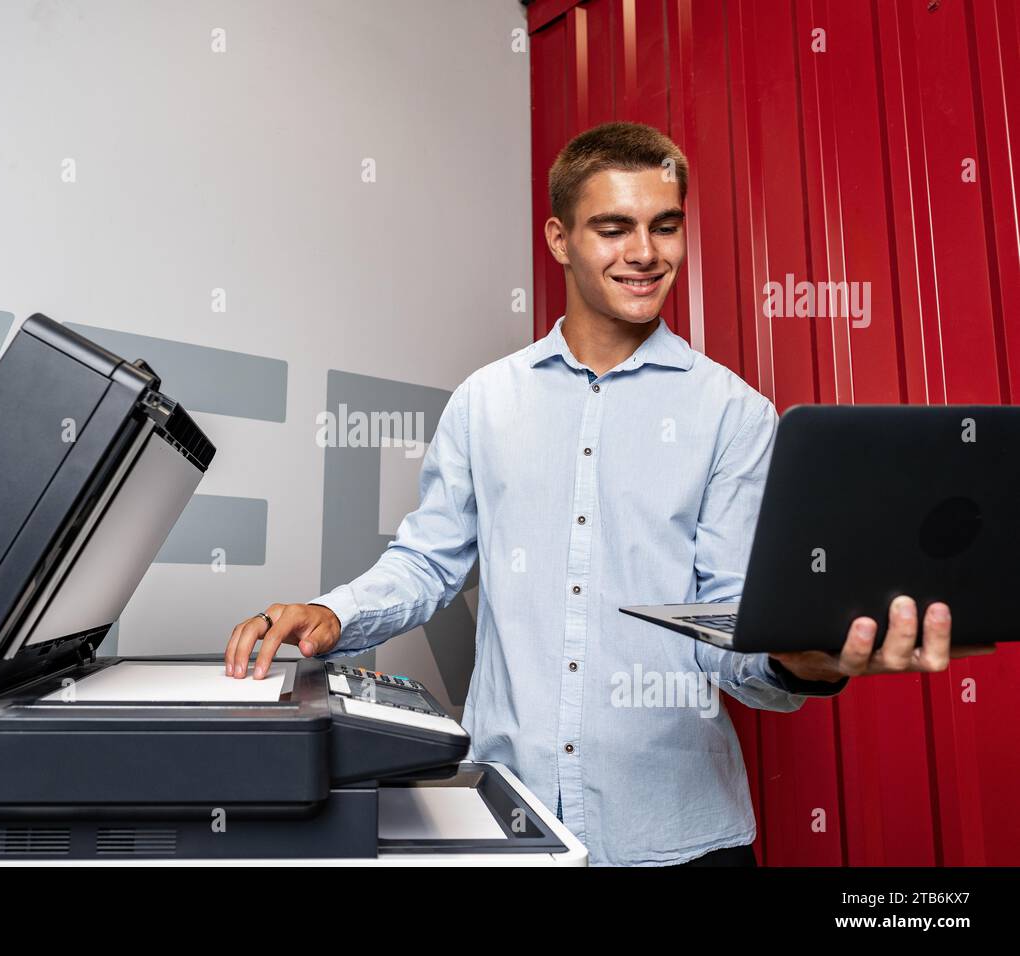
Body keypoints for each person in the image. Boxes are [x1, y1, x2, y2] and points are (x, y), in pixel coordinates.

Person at [221, 121, 993, 866]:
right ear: (560, 239)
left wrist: (807, 662)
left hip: (683, 841)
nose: (645, 254)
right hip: (505, 821)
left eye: (665, 226)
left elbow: (729, 627)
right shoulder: (487, 401)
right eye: (614, 227)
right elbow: (427, 565)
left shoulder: (733, 414)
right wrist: (332, 612)